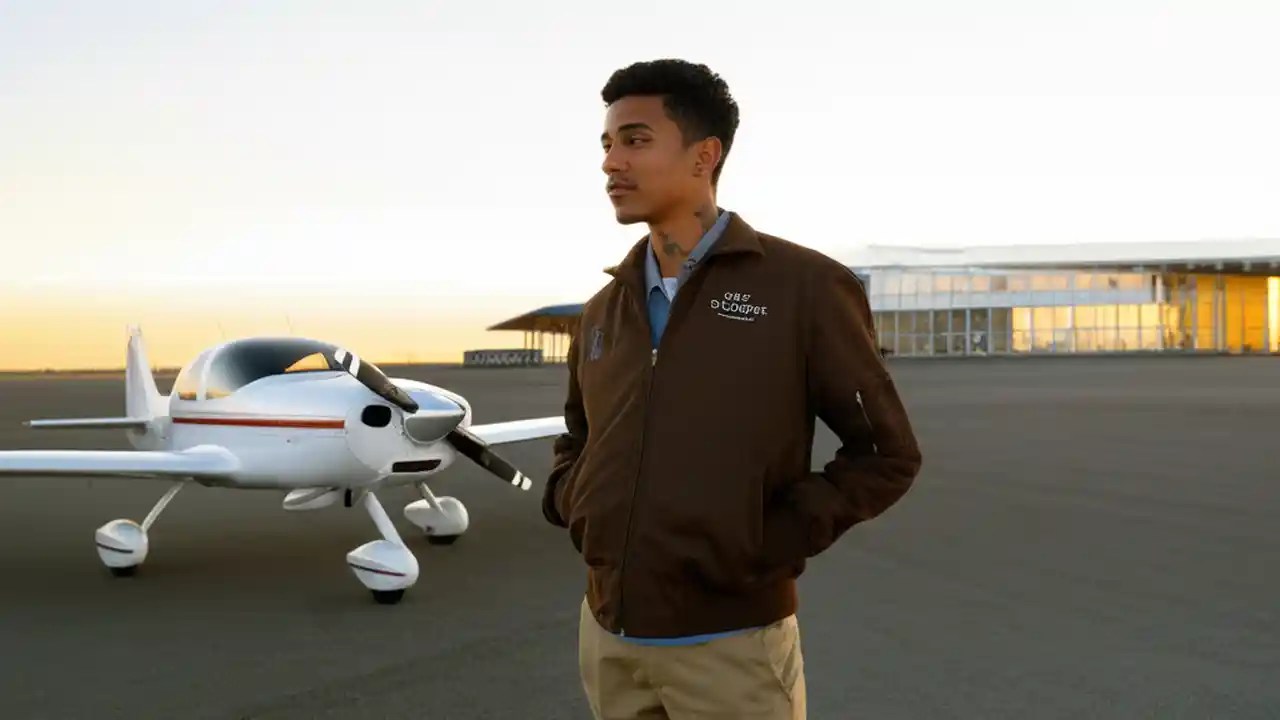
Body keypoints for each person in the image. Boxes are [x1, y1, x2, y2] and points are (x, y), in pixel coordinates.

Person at [541, 58, 923, 720]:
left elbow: (886, 454)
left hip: (731, 647)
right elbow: (579, 432)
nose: (611, 163)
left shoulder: (802, 287)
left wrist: (762, 544)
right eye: (606, 144)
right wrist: (573, 503)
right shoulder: (604, 308)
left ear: (703, 156)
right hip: (608, 641)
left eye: (634, 140)